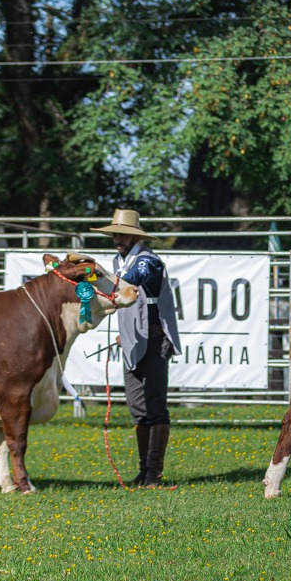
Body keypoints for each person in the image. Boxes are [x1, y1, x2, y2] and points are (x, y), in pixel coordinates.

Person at [93, 209, 183, 487]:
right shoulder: (118, 262)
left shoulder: (148, 261)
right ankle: (145, 471)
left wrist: (102, 279)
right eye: (115, 234)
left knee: (155, 408)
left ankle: (154, 473)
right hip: (133, 343)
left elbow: (135, 277)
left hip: (155, 341)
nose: (117, 239)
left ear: (134, 236)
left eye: (122, 234)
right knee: (138, 409)